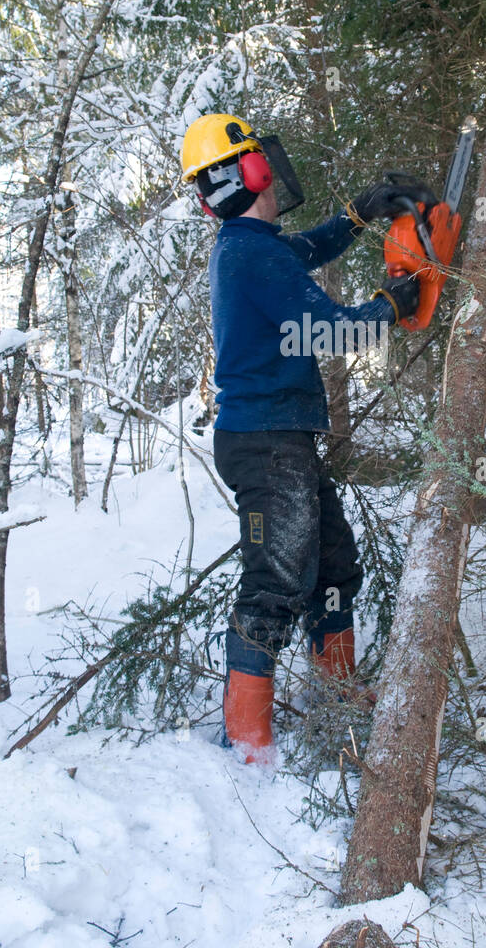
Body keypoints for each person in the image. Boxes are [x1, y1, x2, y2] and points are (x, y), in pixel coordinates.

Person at [181, 112, 434, 762]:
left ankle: (337, 697)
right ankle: (247, 742)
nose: (272, 170)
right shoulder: (250, 253)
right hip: (265, 444)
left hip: (282, 439)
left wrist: (357, 215)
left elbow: (311, 246)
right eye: (260, 161)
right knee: (275, 586)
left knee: (333, 567)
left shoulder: (255, 246)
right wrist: (392, 303)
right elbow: (333, 330)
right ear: (247, 174)